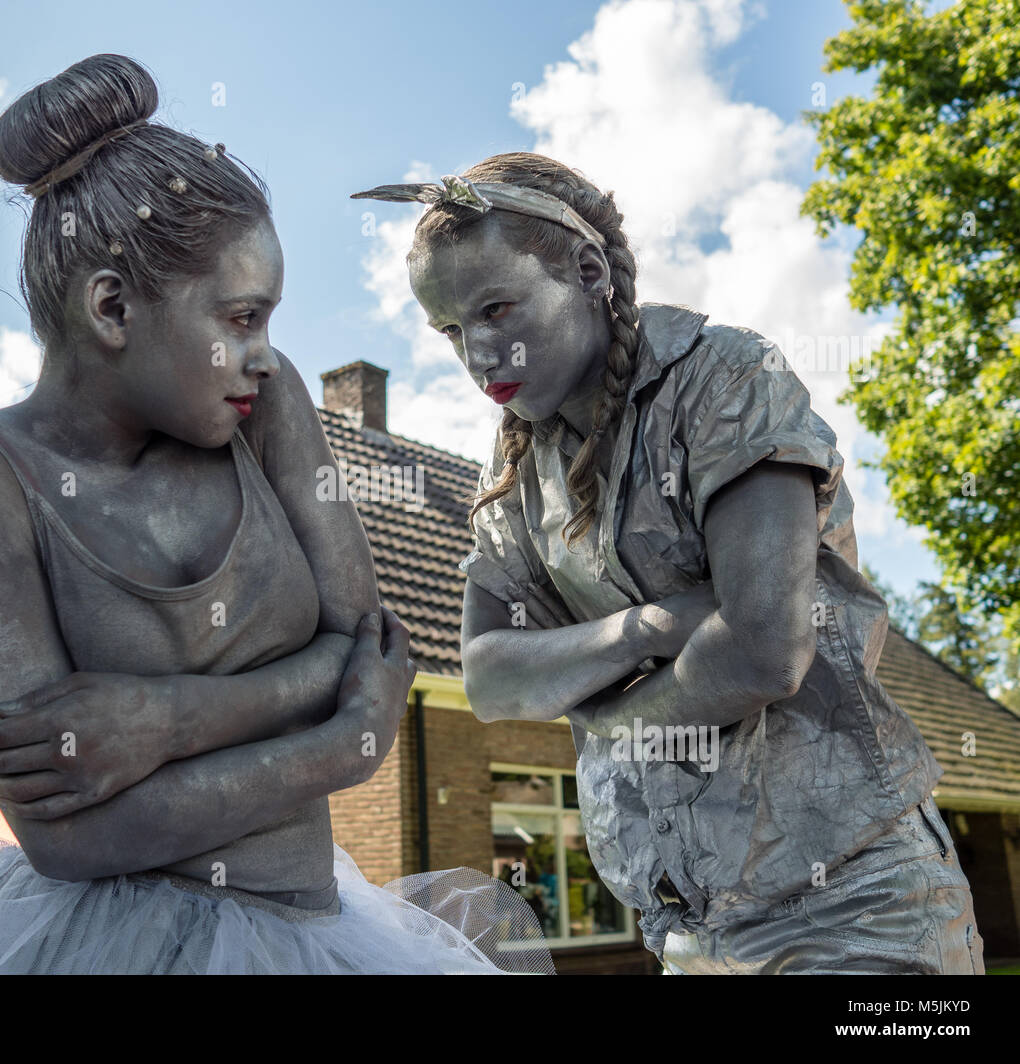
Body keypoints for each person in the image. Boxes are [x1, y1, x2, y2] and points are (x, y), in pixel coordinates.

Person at [0, 56, 554, 976]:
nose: (263, 353)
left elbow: (369, 649)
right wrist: (335, 748)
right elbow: (73, 839)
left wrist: (161, 720)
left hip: (317, 934)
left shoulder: (269, 406)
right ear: (114, 306)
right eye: (242, 317)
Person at [353, 152, 986, 974]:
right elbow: (489, 677)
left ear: (587, 273)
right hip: (683, 931)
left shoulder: (723, 377)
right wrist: (650, 628)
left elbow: (763, 650)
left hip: (852, 907)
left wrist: (607, 720)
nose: (479, 354)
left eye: (496, 307)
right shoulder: (513, 474)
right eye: (449, 330)